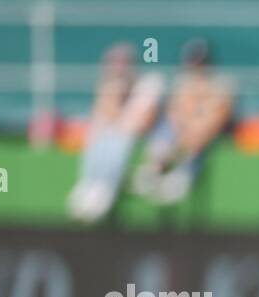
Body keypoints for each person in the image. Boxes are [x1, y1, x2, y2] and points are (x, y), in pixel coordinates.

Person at [67, 43, 165, 223]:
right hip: (114, 135)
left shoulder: (148, 86)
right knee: (100, 138)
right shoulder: (109, 86)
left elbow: (143, 122)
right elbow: (105, 114)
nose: (119, 70)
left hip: (137, 138)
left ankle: (105, 189)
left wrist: (123, 122)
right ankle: (90, 184)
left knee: (118, 143)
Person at [132, 38, 234, 204]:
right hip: (182, 137)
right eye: (192, 61)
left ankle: (182, 174)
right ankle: (157, 169)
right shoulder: (183, 84)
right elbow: (175, 112)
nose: (194, 65)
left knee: (196, 142)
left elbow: (216, 119)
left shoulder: (221, 85)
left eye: (198, 61)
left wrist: (193, 131)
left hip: (203, 139)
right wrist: (184, 129)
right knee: (166, 130)